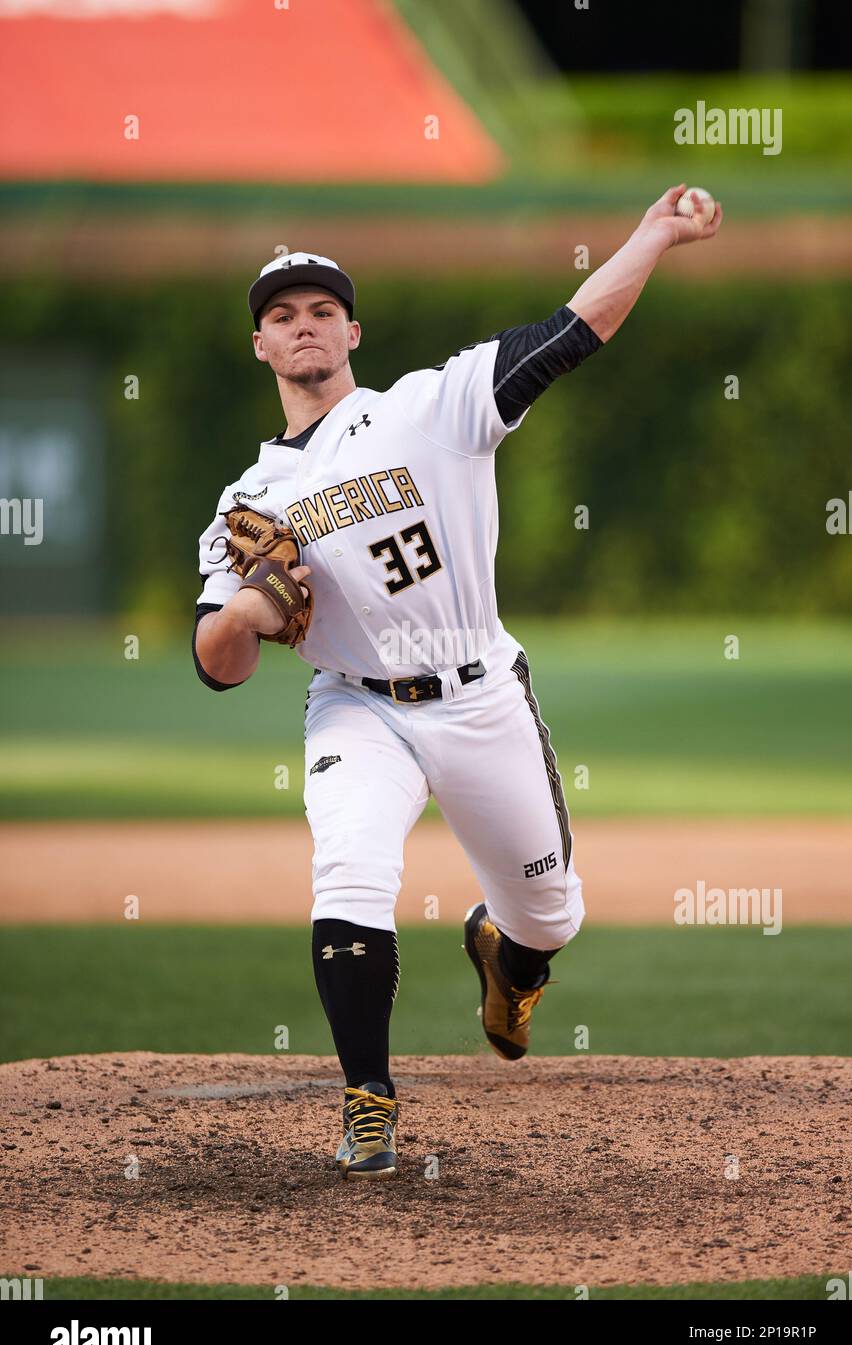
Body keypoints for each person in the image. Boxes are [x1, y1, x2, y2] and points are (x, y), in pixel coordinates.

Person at [193, 186, 723, 1179]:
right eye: (279, 315)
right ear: (259, 346)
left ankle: (503, 956)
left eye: (318, 309)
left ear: (352, 329)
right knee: (350, 871)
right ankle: (367, 1102)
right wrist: (245, 612)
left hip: (480, 693)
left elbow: (572, 331)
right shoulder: (244, 504)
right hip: (355, 705)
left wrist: (651, 233)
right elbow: (217, 667)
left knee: (547, 919)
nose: (301, 325)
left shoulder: (429, 407)